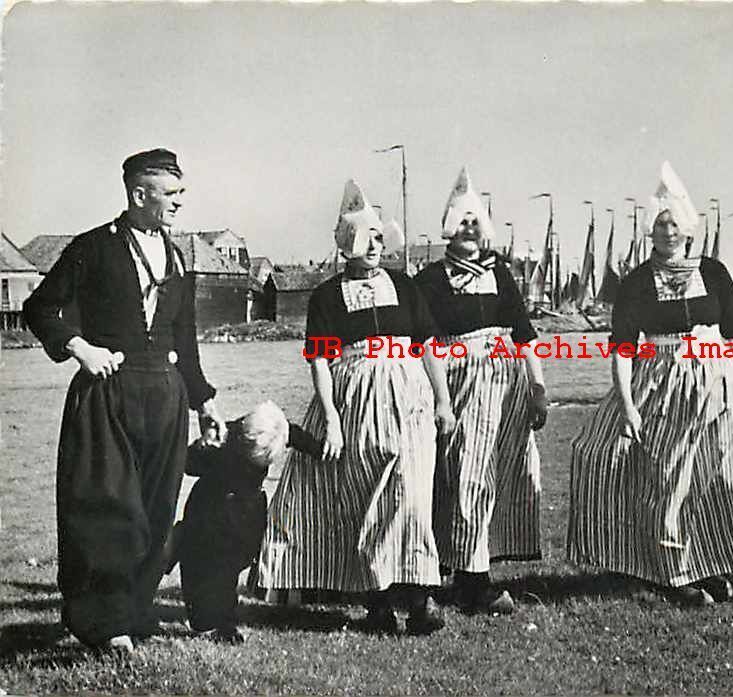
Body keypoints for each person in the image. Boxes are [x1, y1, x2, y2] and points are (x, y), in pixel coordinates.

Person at [23, 148, 224, 653]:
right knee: (108, 510)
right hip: (106, 394)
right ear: (140, 194)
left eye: (182, 192)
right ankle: (103, 623)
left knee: (156, 510)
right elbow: (40, 307)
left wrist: (204, 403)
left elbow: (187, 339)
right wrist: (80, 348)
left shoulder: (177, 255)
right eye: (171, 193)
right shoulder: (92, 247)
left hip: (165, 395)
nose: (181, 202)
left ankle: (134, 613)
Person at [258, 180, 455, 636]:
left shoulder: (405, 287)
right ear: (347, 243)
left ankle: (422, 597)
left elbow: (427, 347)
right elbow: (322, 362)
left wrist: (443, 400)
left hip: (409, 399)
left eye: (380, 238)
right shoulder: (326, 297)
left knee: (412, 493)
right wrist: (330, 418)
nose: (376, 246)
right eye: (367, 238)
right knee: (364, 497)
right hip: (355, 399)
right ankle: (378, 600)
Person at [566, 162, 733, 606]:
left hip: (718, 384)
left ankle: (712, 562)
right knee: (670, 479)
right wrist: (629, 405)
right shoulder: (636, 282)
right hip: (662, 383)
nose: (668, 231)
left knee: (724, 477)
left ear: (688, 227)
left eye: (674, 222)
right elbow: (622, 348)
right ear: (649, 232)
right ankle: (673, 574)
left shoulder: (713, 272)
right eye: (660, 224)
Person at [414, 166, 548, 615]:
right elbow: (425, 342)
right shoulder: (430, 280)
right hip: (459, 381)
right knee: (464, 474)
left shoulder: (501, 272)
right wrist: (441, 399)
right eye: (462, 221)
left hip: (506, 383)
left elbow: (524, 333)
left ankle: (475, 568)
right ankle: (467, 579)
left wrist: (538, 385)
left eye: (476, 221)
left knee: (499, 474)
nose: (470, 229)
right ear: (450, 227)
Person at [175, 401, 320, 644]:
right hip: (210, 512)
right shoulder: (225, 438)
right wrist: (201, 447)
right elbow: (188, 464)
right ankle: (211, 621)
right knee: (205, 568)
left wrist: (319, 448)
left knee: (230, 568)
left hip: (247, 513)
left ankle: (220, 619)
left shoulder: (276, 431)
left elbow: (294, 435)